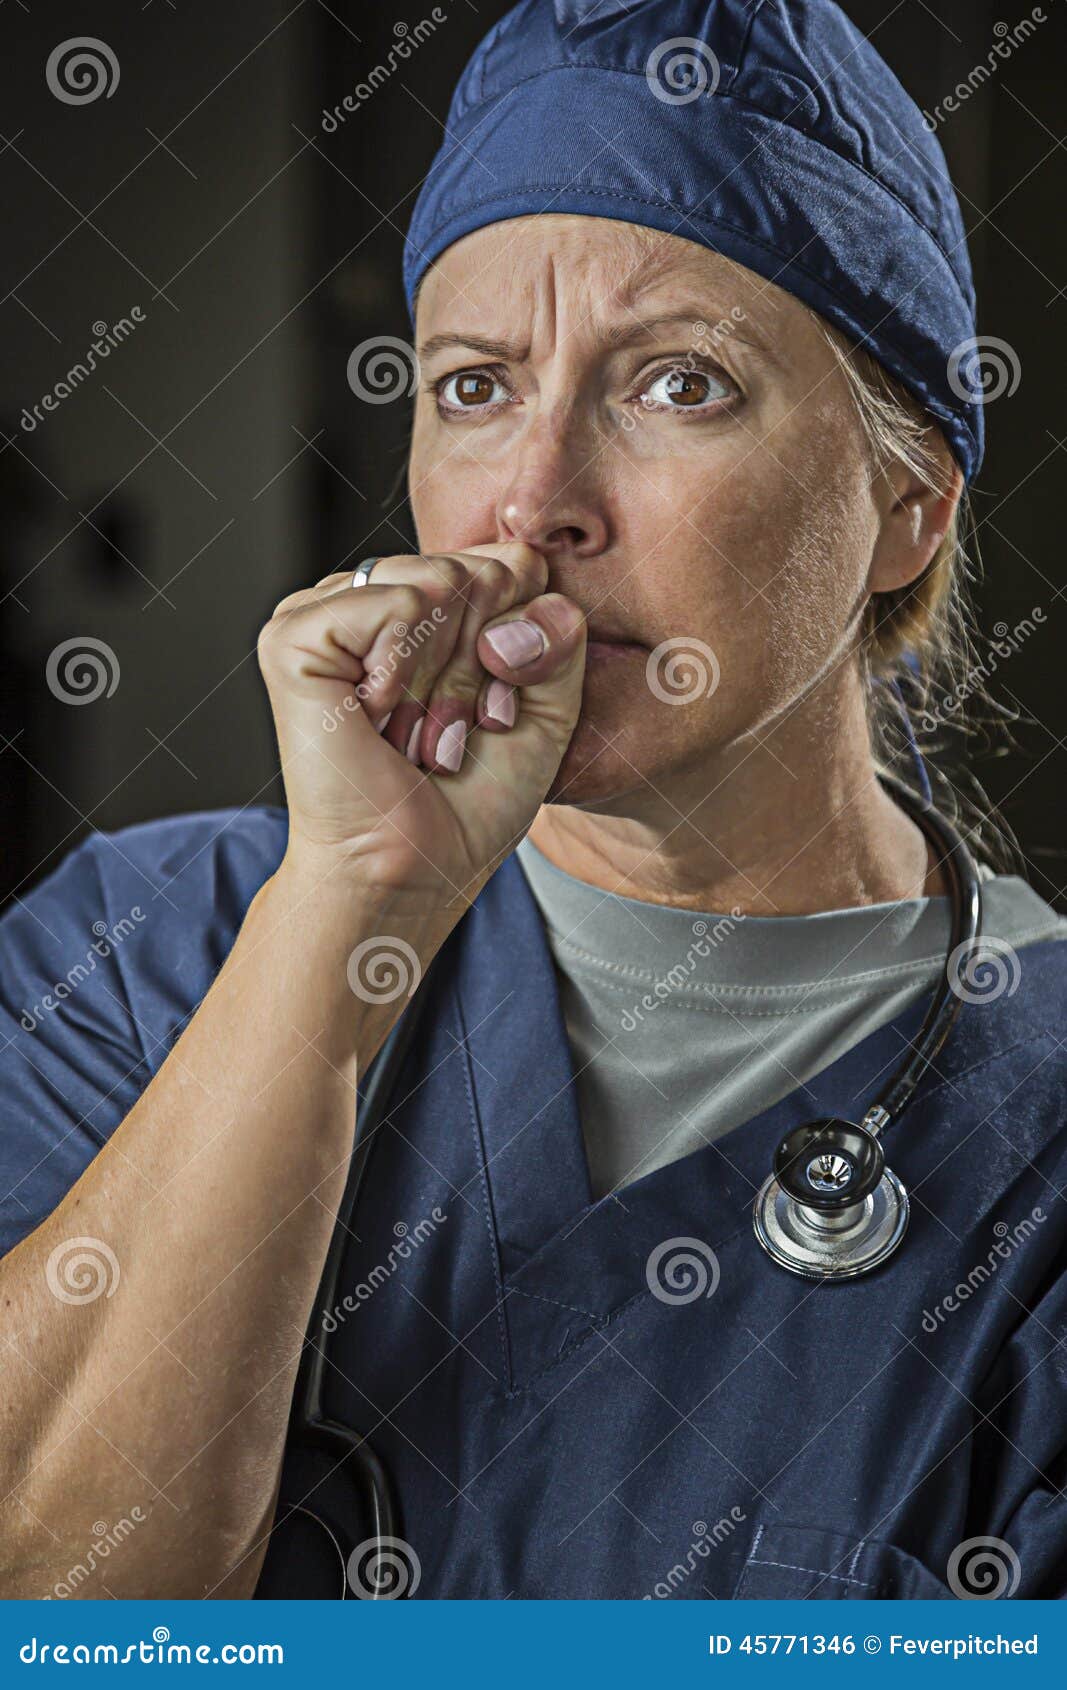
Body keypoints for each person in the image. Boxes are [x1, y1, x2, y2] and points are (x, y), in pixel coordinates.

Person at [1, 0, 1065, 1602]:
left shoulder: (1036, 1130)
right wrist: (346, 911)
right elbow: (49, 1604)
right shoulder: (139, 954)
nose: (534, 498)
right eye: (477, 386)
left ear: (905, 502)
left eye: (681, 385)